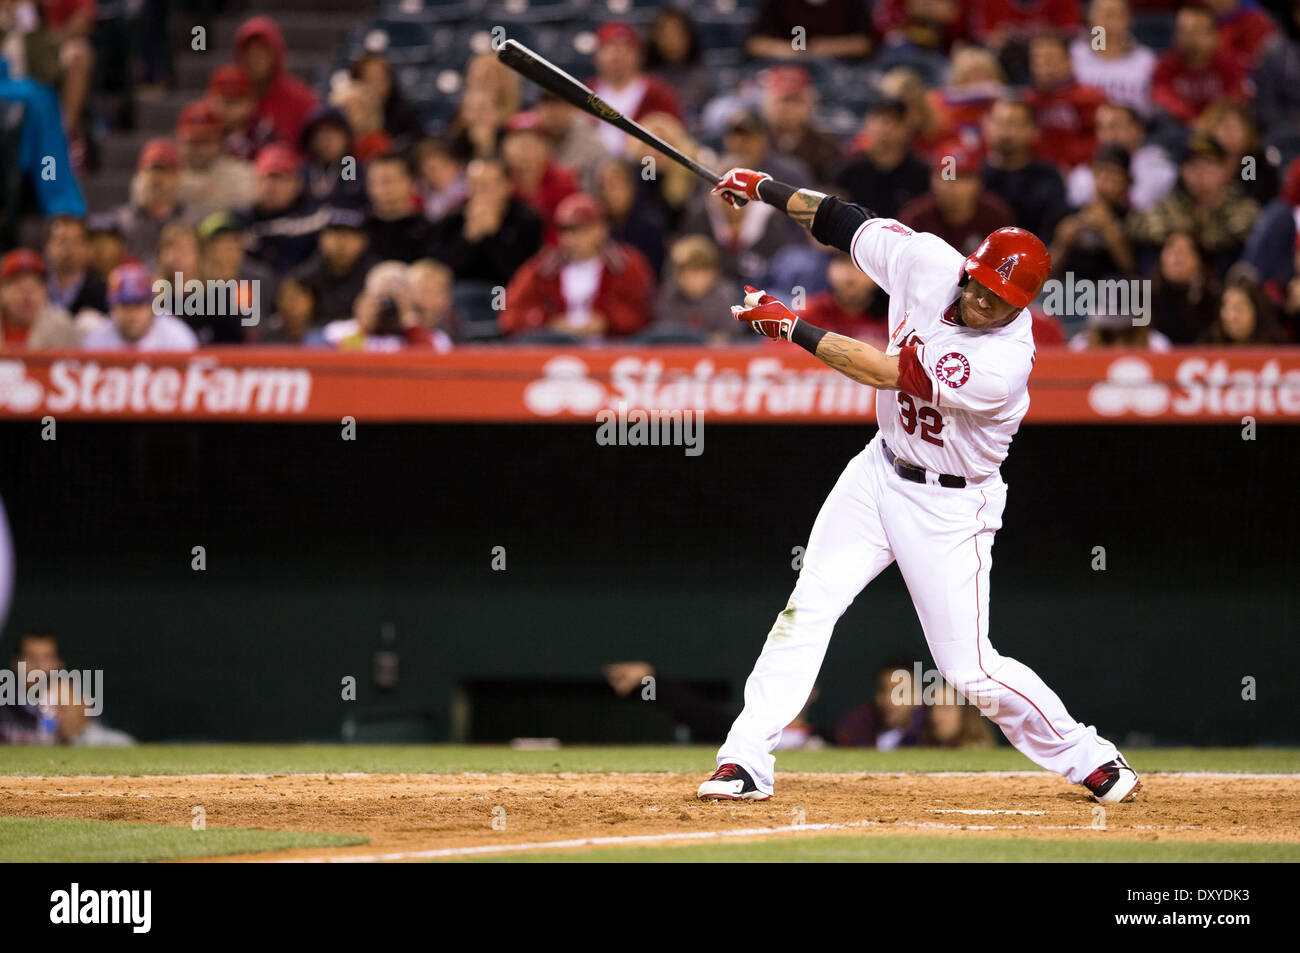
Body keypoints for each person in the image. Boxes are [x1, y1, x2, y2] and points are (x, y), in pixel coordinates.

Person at [694, 163, 1141, 805]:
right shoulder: (930, 260)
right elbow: (840, 221)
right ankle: (745, 760)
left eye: (1003, 302)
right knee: (808, 606)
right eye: (983, 287)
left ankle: (1088, 755)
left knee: (970, 669)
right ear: (971, 267)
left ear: (1023, 307)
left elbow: (880, 371)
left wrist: (791, 327)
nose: (985, 304)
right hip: (880, 469)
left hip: (951, 504)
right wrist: (762, 185)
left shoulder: (1003, 362)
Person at [500, 193, 655, 340]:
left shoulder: (625, 266)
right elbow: (510, 316)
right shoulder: (542, 269)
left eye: (580, 230)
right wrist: (548, 323)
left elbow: (646, 313)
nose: (570, 239)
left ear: (601, 229)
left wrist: (608, 322)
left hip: (612, 353)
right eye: (565, 230)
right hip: (555, 355)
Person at [1127, 134, 1259, 278]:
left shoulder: (1240, 203)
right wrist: (1179, 241)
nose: (1200, 175)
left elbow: (1246, 230)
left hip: (1223, 281)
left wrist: (1194, 236)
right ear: (1183, 171)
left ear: (1225, 170)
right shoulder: (1173, 200)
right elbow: (1136, 225)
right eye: (1193, 167)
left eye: (1209, 166)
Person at [433, 157, 542, 286]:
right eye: (475, 184)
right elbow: (443, 273)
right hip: (460, 294)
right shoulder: (452, 218)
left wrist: (493, 235)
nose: (481, 191)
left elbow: (520, 276)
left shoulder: (526, 220)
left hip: (505, 293)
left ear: (508, 186)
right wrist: (468, 237)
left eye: (488, 184)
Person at [898, 142, 1016, 256]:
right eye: (947, 176)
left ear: (979, 182)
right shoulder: (915, 218)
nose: (954, 186)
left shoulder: (996, 216)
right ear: (932, 180)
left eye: (963, 178)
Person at [981, 98, 1069, 240]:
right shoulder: (972, 177)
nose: (1005, 132)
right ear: (986, 126)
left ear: (1033, 131)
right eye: (999, 122)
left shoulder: (1049, 178)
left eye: (1014, 124)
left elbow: (1055, 233)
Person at [588, 22, 681, 154]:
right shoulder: (587, 89)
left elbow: (675, 135)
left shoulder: (657, 93)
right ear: (597, 55)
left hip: (643, 166)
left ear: (639, 55)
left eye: (624, 50)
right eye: (609, 49)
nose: (616, 57)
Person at [1066, 102, 1178, 211]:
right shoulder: (1082, 174)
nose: (1107, 134)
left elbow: (1141, 207)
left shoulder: (1156, 166)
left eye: (1115, 126)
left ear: (1138, 131)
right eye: (1100, 127)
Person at [833, 98, 930, 219]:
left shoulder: (923, 173)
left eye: (892, 121)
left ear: (906, 128)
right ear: (867, 124)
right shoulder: (848, 171)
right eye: (878, 120)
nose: (884, 128)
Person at [1150, 6, 1247, 124]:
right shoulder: (1166, 64)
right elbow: (1162, 96)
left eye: (1196, 31)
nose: (1189, 38)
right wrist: (1192, 119)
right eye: (1183, 31)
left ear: (1214, 35)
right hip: (1181, 127)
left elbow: (1235, 95)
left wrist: (1209, 120)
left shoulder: (1228, 62)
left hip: (1219, 127)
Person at [1025, 32, 1106, 172]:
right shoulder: (1028, 101)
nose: (1043, 68)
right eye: (1037, 61)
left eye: (1050, 60)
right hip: (1035, 174)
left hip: (1081, 172)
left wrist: (1073, 164)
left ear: (1069, 62)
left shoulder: (1090, 98)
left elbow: (1101, 141)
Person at [241, 143, 326, 273]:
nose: (272, 187)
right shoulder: (240, 220)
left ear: (298, 184)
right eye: (267, 178)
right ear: (255, 182)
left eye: (282, 179)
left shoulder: (315, 218)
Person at [233, 15, 318, 147]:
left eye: (262, 51)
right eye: (249, 52)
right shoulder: (228, 95)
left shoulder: (300, 99)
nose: (255, 59)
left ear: (276, 54)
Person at [501, 111, 579, 246]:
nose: (525, 148)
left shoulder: (565, 181)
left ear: (547, 146)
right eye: (518, 140)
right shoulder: (499, 182)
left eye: (533, 141)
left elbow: (570, 229)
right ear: (505, 147)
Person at [1068, 0, 1158, 115]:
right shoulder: (1074, 54)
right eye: (1103, 14)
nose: (1108, 22)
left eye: (1115, 15)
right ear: (1089, 17)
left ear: (1129, 19)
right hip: (1086, 129)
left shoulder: (1146, 60)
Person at [83, 263, 199, 351]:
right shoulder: (97, 341)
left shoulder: (177, 339)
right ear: (112, 308)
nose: (132, 315)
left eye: (139, 305)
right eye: (125, 306)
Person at [652, 235, 745, 343]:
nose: (689, 279)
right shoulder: (668, 294)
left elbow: (731, 338)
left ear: (712, 273)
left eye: (696, 272)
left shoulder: (725, 297)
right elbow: (664, 335)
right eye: (683, 272)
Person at [760, 66, 842, 187]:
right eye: (784, 100)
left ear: (810, 105)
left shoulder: (826, 145)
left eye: (797, 101)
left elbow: (833, 190)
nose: (789, 109)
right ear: (768, 104)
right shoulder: (755, 138)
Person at [294, 207, 379, 324]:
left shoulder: (376, 276)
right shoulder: (305, 278)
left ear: (364, 241)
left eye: (349, 235)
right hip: (315, 337)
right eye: (335, 234)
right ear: (321, 238)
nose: (341, 243)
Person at [110, 138, 189, 263]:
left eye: (164, 171)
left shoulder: (188, 221)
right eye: (151, 171)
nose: (157, 178)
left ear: (177, 178)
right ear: (139, 176)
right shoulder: (120, 222)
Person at [176, 99, 256, 220]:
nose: (199, 150)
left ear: (220, 142)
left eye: (206, 142)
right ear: (180, 142)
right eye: (193, 142)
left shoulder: (242, 173)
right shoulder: (168, 173)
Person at [798, 251, 890, 340]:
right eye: (843, 263)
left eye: (860, 266)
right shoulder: (812, 312)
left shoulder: (894, 315)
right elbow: (787, 349)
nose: (850, 276)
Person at [1149, 230, 1221, 344]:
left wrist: (1196, 297)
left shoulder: (1213, 300)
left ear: (1200, 260)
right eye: (1171, 248)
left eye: (1185, 251)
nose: (1177, 257)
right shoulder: (1144, 297)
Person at [0, 248, 79, 349]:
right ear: (2, 290)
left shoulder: (61, 326)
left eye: (34, 287)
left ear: (45, 291)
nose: (26, 296)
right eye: (18, 287)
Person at [364, 153, 435, 263]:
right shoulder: (359, 229)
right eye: (377, 181)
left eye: (390, 180)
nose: (384, 188)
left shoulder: (427, 229)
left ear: (411, 183)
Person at [746, 0, 872, 61]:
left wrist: (830, 47)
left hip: (839, 70)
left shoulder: (852, 3)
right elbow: (754, 44)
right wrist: (787, 50)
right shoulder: (775, 3)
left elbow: (865, 43)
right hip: (784, 67)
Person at [44, 215, 108, 317]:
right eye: (62, 241)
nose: (69, 249)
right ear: (48, 247)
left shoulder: (102, 290)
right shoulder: (37, 283)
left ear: (88, 248)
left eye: (76, 242)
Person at [1201, 275, 1287, 344]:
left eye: (1239, 308)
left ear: (1257, 311)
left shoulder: (1279, 347)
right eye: (1225, 307)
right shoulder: (1209, 344)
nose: (1231, 316)